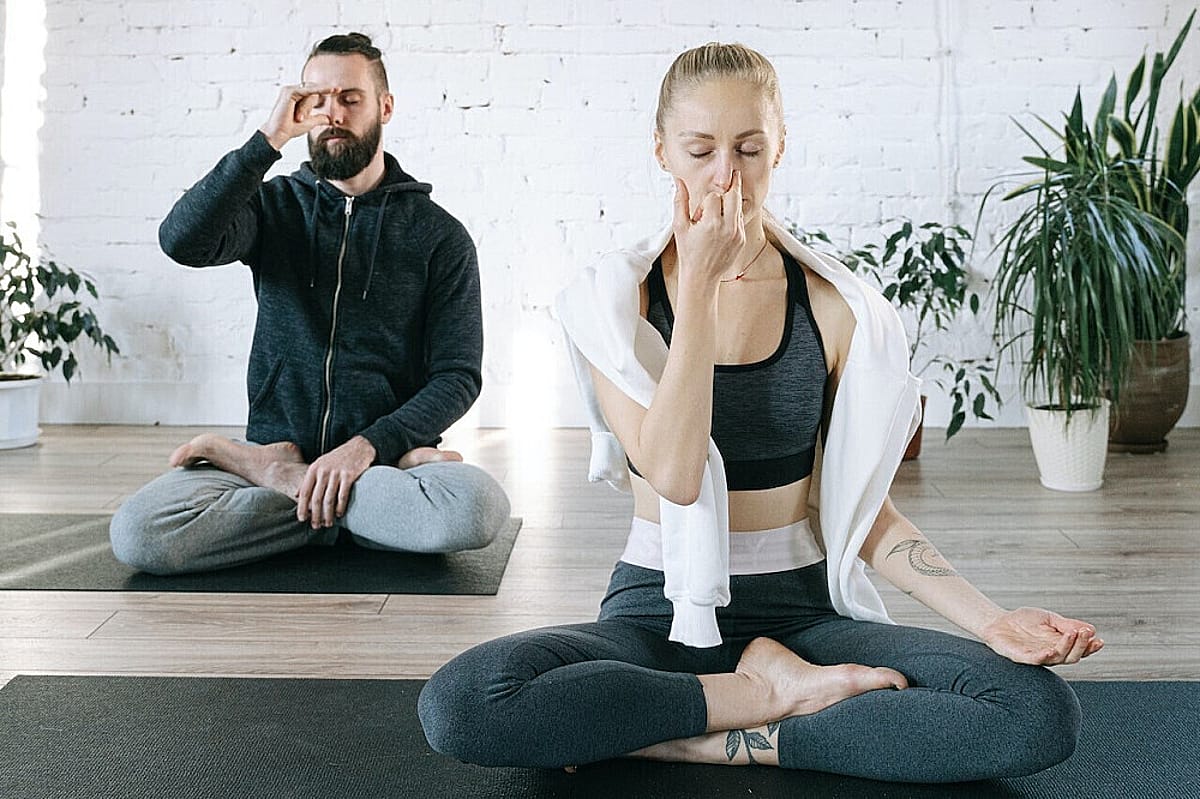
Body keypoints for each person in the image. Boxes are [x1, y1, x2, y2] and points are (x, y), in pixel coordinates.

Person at [417, 43, 1101, 783]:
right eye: (700, 150)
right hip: (656, 613)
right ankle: (760, 699)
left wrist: (992, 620)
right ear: (662, 151)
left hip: (801, 615)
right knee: (464, 703)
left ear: (779, 145)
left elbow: (862, 512)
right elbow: (675, 475)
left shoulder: (835, 307)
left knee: (1036, 712)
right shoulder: (614, 300)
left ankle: (684, 730)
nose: (726, 175)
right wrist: (700, 288)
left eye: (748, 148)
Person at [110, 33, 510, 575]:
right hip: (286, 454)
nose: (333, 113)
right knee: (139, 534)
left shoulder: (439, 236)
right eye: (317, 99)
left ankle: (304, 490)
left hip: (377, 456)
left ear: (385, 107)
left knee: (475, 510)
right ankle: (317, 490)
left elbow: (457, 377)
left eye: (350, 98)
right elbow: (182, 241)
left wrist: (370, 447)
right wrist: (267, 140)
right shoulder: (273, 208)